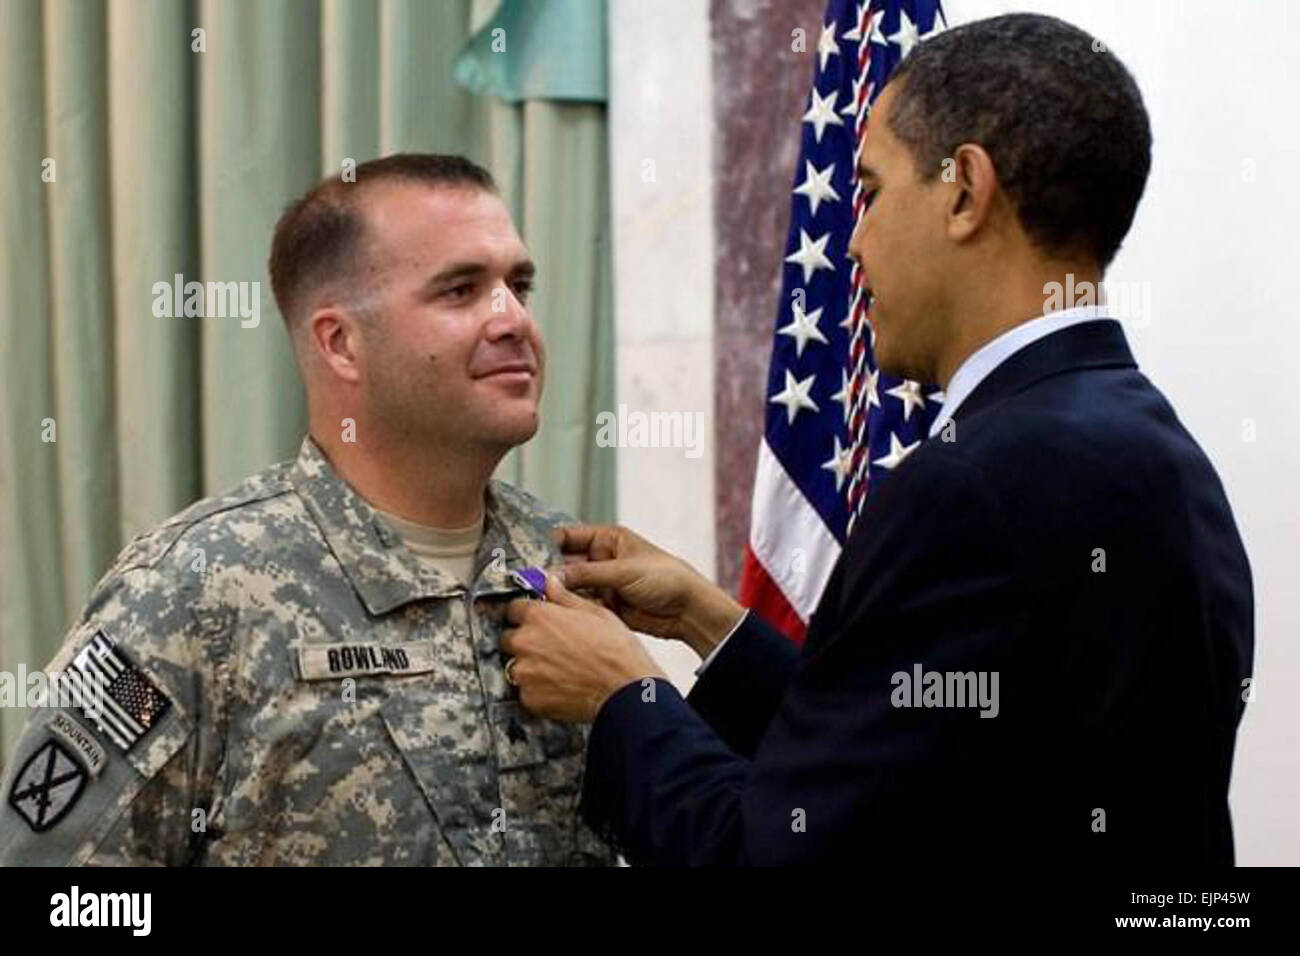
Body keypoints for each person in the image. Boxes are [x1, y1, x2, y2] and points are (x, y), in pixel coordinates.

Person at [501, 15, 1254, 866]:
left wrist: (618, 698)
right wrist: (713, 625)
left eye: (871, 191)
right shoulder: (1157, 450)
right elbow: (933, 765)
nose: (852, 241)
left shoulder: (973, 482)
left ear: (965, 191)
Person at [0, 154, 613, 866]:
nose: (513, 319)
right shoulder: (190, 591)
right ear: (340, 343)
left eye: (519, 285)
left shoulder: (564, 563)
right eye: (460, 290)